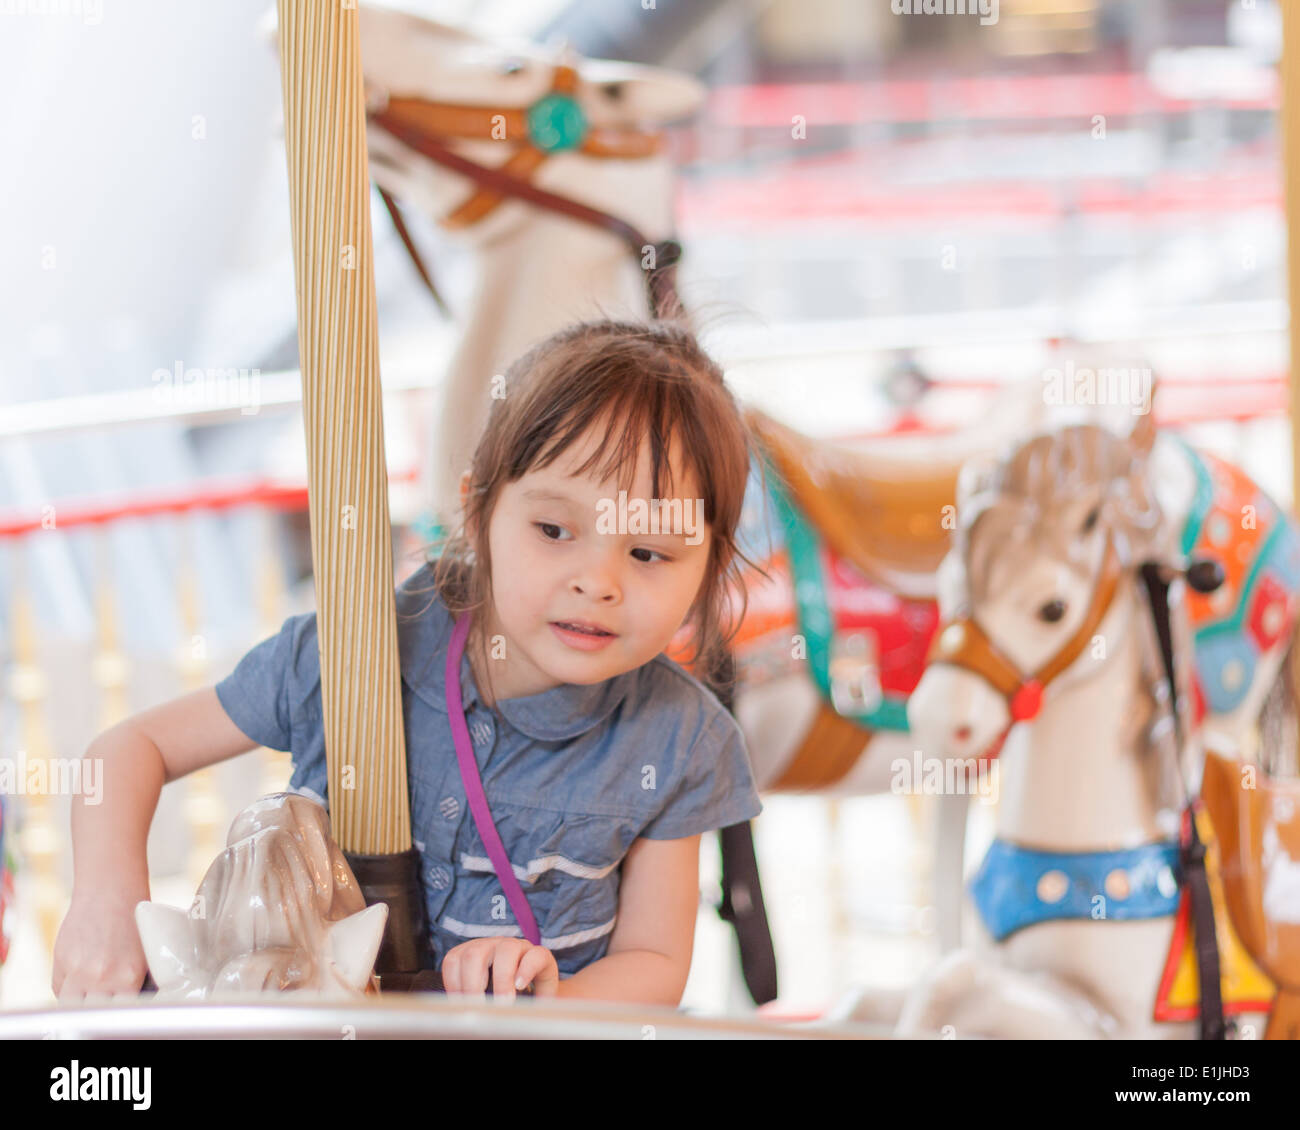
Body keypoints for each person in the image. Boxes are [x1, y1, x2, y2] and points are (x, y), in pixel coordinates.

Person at [53, 318, 765, 1005]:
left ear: (706, 568)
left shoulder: (678, 738)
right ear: (477, 512)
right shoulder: (358, 649)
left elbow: (656, 962)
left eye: (649, 554)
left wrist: (549, 995)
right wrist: (107, 902)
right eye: (554, 529)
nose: (598, 581)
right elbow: (128, 747)